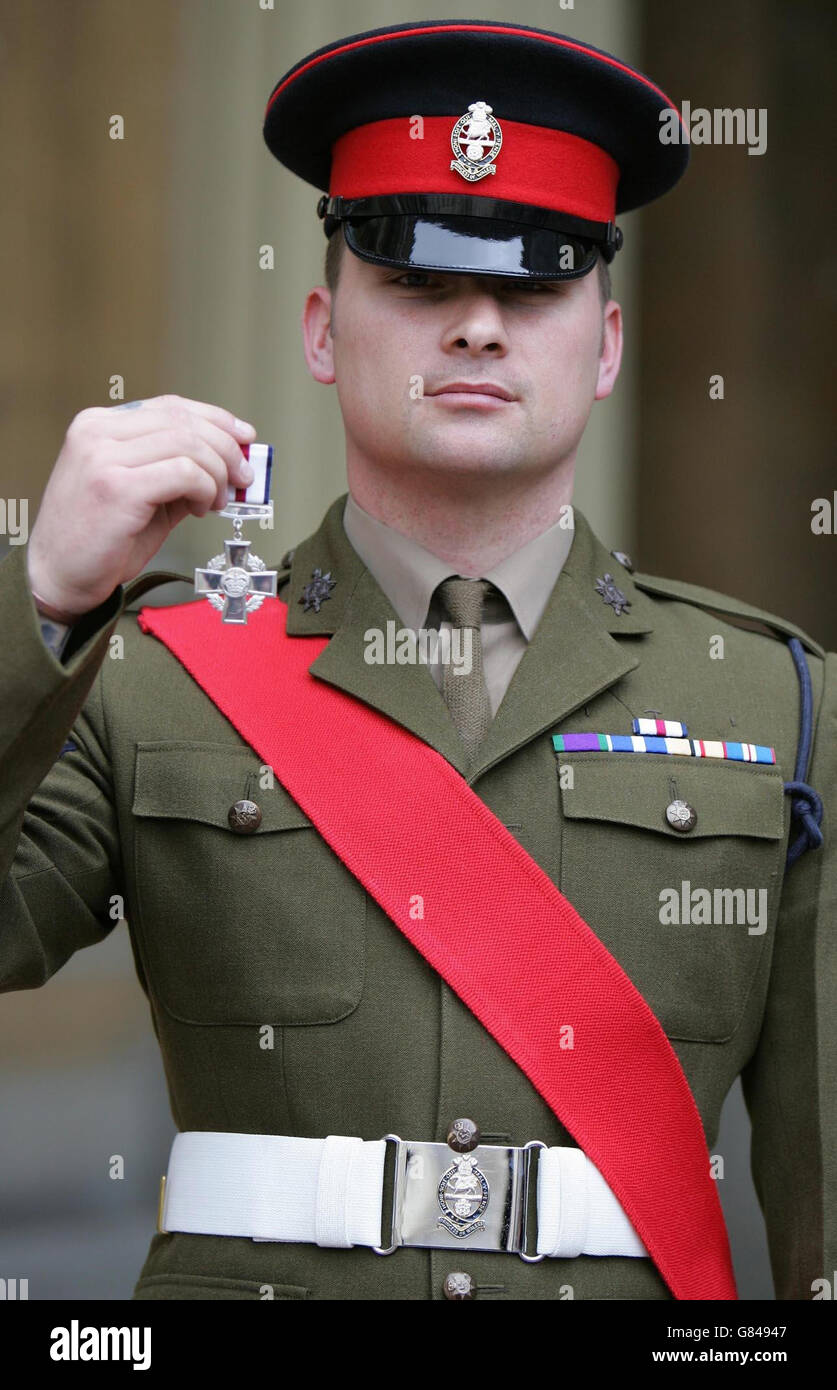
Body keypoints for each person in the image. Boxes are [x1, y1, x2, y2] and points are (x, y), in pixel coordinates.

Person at [1, 18, 833, 1303]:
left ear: (605, 346)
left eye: (537, 286)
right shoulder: (152, 668)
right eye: (422, 284)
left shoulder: (772, 699)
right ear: (324, 331)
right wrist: (43, 604)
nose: (480, 330)